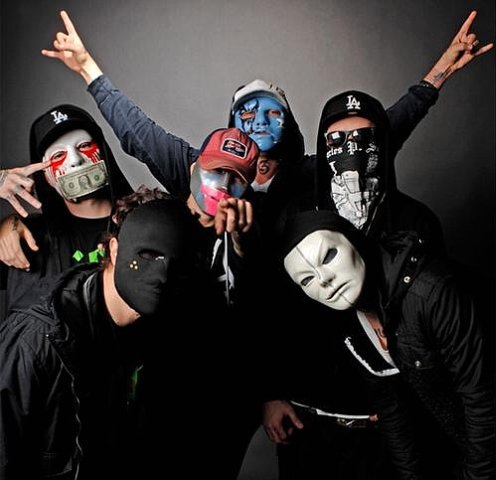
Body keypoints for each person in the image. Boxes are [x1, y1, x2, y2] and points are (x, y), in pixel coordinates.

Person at [39, 10, 492, 251]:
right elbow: (138, 132)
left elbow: (376, 137)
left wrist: (436, 78)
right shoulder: (201, 169)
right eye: (245, 112)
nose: (257, 120)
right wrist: (88, 69)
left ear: (289, 125)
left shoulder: (311, 174)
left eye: (272, 112)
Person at [270, 209, 495, 479]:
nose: (323, 279)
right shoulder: (350, 320)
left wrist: (476, 475)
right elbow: (392, 409)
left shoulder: (432, 292)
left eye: (328, 256)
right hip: (466, 445)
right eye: (306, 279)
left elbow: (482, 397)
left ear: (353, 240)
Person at [0, 187, 207, 480]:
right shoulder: (37, 338)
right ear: (113, 249)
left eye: (176, 263)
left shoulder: (165, 324)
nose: (162, 275)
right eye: (148, 255)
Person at [0, 104, 132, 315]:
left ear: (104, 153)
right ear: (45, 176)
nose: (75, 160)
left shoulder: (142, 223)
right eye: (58, 155)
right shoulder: (30, 238)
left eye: (84, 145)